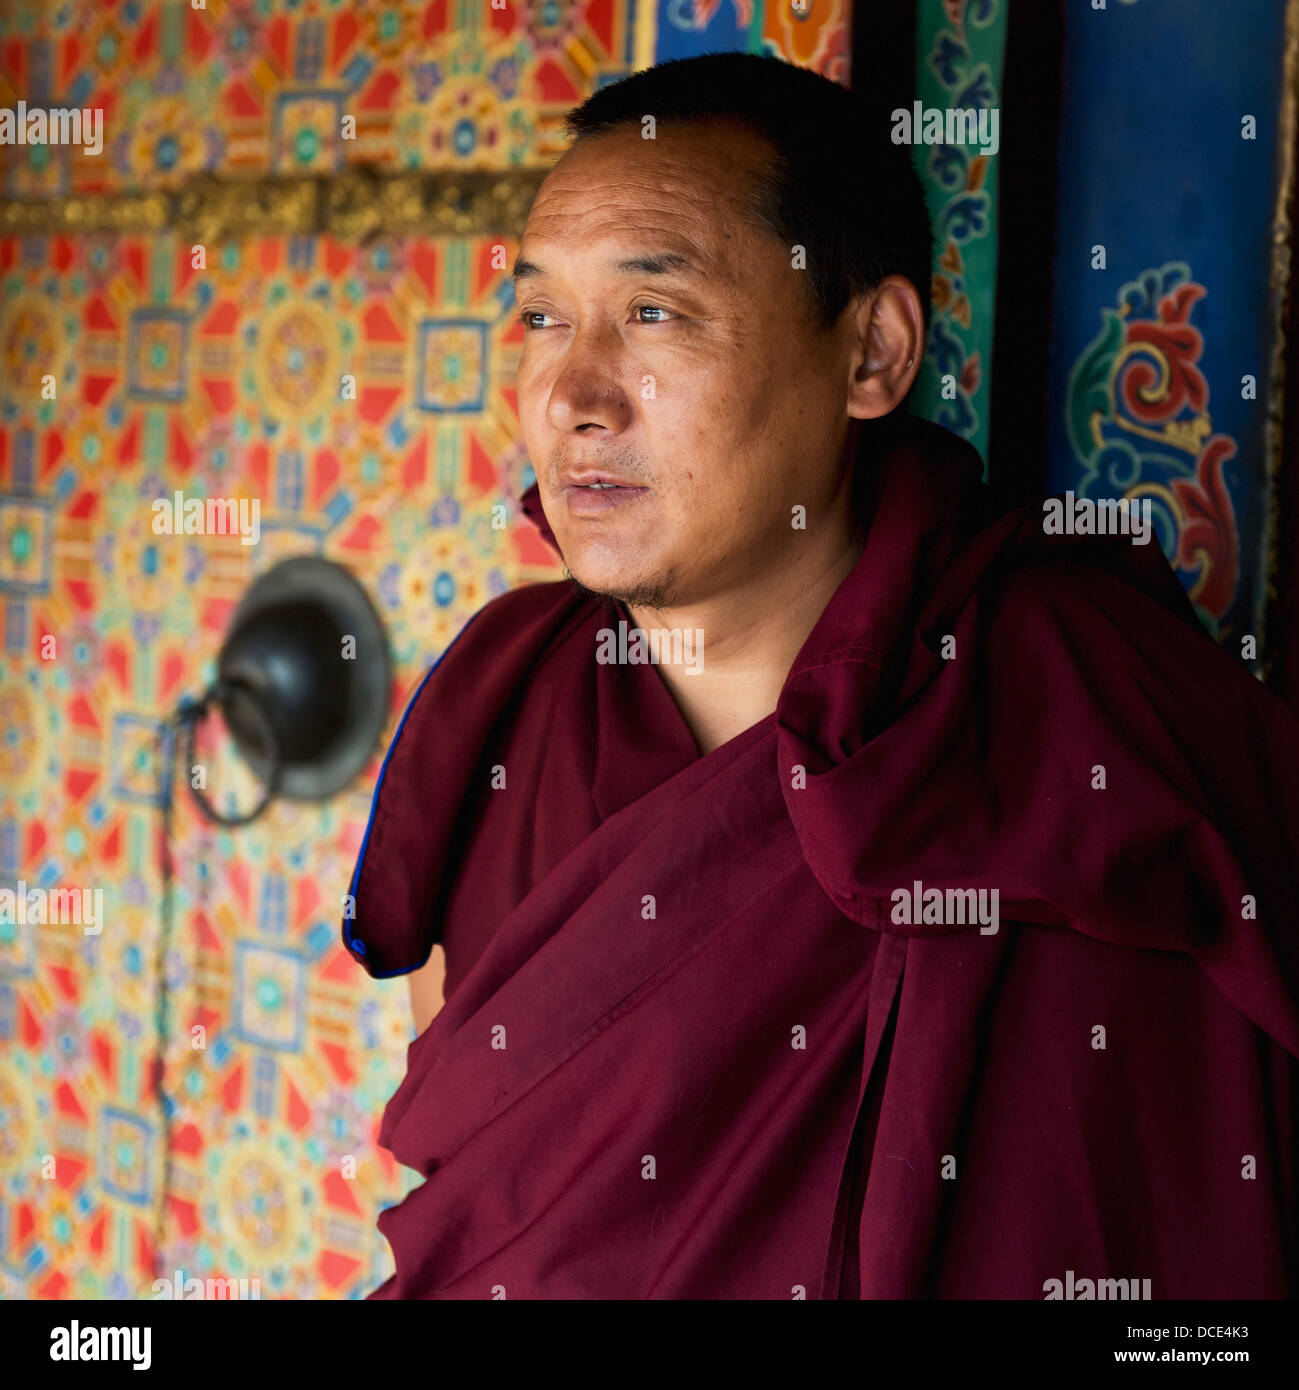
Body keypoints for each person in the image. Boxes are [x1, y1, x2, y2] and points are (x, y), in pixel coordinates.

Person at [342, 51, 1299, 1299]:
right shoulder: (504, 702)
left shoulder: (1075, 695)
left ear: (872, 354)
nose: (569, 395)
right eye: (541, 317)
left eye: (653, 314)